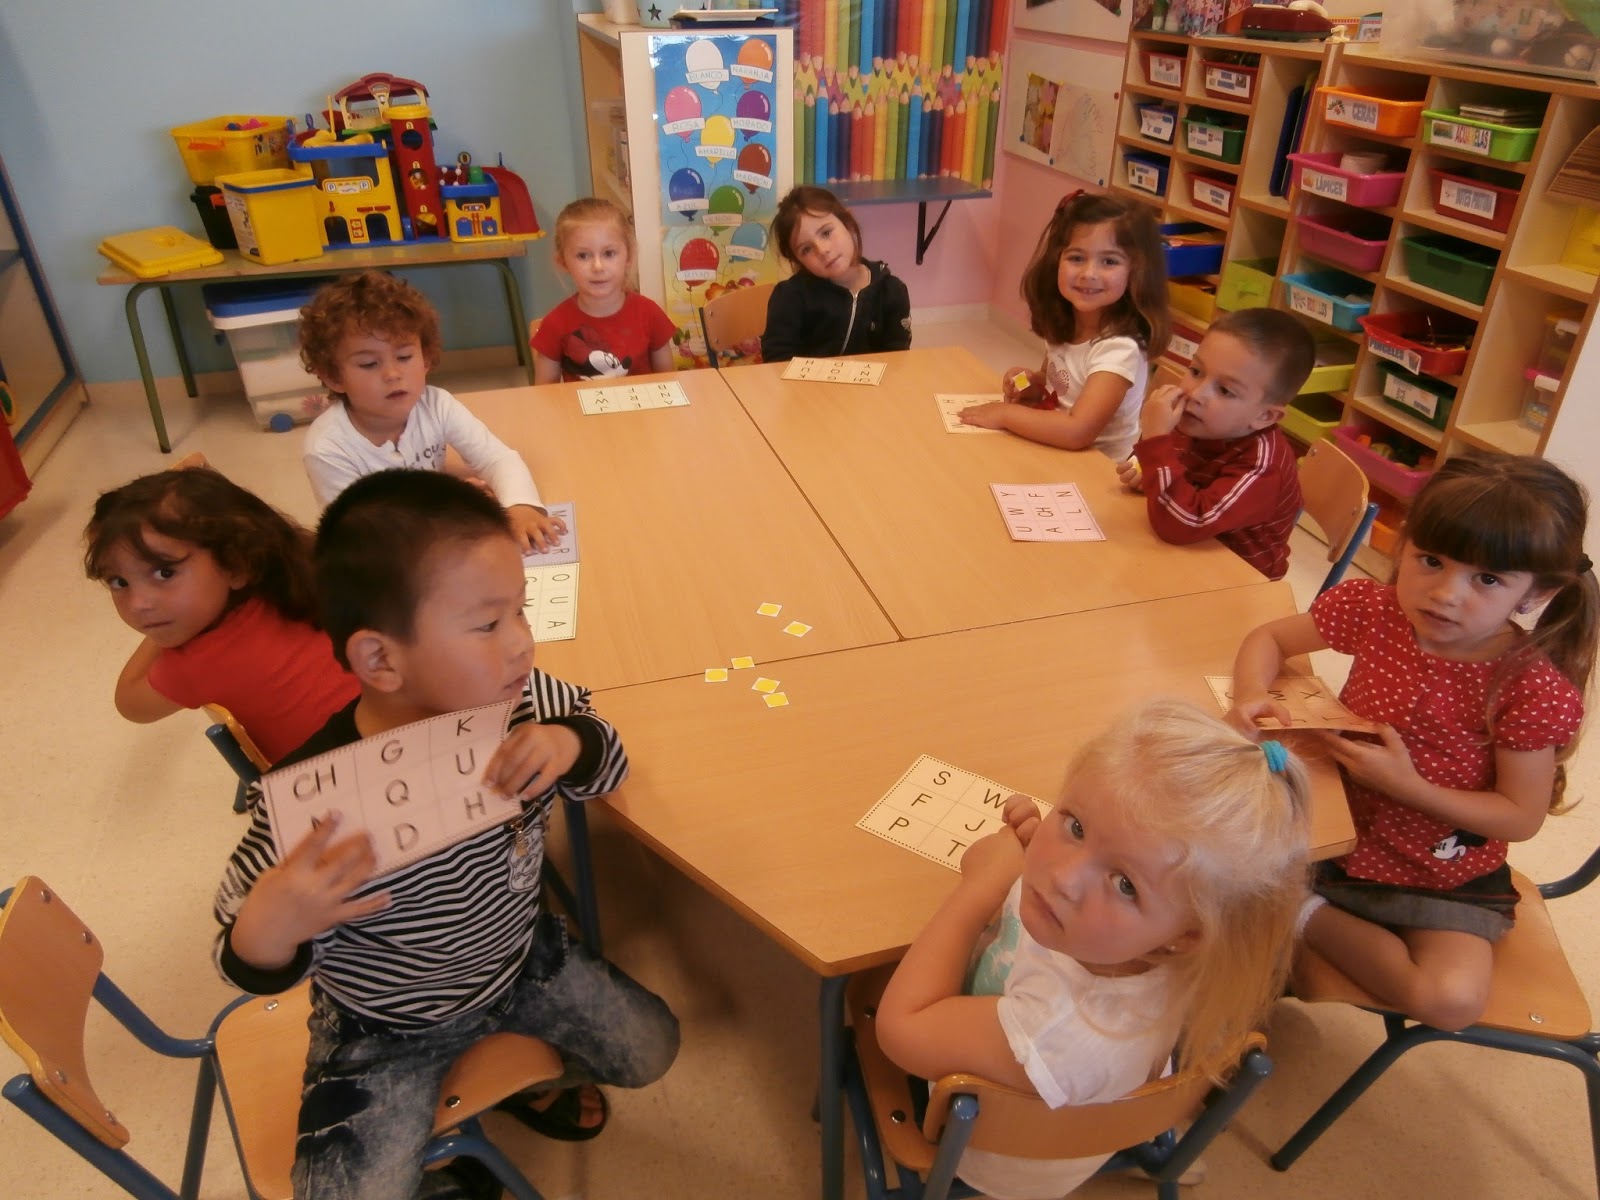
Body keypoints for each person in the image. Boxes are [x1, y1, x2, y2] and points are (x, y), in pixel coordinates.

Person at [212, 470, 680, 1199]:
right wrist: (271, 927)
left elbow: (606, 758)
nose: (523, 644)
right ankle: (441, 1165)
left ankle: (520, 1083)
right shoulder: (314, 803)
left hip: (523, 964)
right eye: (489, 624)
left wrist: (568, 743)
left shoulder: (524, 704)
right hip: (383, 1027)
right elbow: (238, 952)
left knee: (654, 1047)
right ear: (379, 659)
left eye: (520, 613)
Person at [877, 699, 1310, 1199]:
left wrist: (979, 887)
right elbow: (1109, 855)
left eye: (1125, 884)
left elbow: (900, 1027)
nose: (1062, 878)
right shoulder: (1151, 936)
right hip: (1068, 1097)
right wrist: (1038, 838)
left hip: (990, 1154)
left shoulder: (1066, 1030)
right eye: (1076, 825)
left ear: (1183, 936)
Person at [1229, 453, 1599, 1032]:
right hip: (1327, 831)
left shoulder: (1529, 686)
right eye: (1430, 560)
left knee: (1448, 1001)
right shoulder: (1374, 609)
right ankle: (1283, 927)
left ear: (1534, 594)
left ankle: (1295, 912)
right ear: (1401, 547)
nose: (1445, 594)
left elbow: (1519, 817)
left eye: (1487, 579)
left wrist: (1407, 786)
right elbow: (1269, 637)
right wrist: (1249, 694)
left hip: (1439, 873)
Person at [84, 464, 358, 764]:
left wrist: (160, 636)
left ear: (235, 565)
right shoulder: (297, 569)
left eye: (164, 572)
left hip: (328, 784)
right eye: (119, 582)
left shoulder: (194, 665)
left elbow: (130, 704)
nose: (138, 603)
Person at [298, 270, 565, 553]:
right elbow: (356, 537)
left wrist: (520, 506)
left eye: (404, 357)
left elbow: (497, 457)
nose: (392, 374)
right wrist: (445, 507)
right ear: (332, 376)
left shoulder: (437, 404)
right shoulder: (327, 449)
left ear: (426, 358)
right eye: (368, 364)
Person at [959, 191, 1169, 461]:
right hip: (1056, 452)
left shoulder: (1119, 350)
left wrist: (1005, 414)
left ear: (1136, 271)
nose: (1088, 274)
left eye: (1109, 261)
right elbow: (1055, 384)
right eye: (1077, 258)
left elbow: (1077, 431)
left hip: (1096, 471)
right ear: (1056, 260)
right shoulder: (1068, 321)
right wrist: (1032, 383)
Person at [1116, 308, 1313, 581]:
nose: (1196, 393)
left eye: (1224, 391)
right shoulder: (1200, 420)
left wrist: (1155, 440)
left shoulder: (1263, 467)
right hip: (1187, 554)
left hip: (1238, 583)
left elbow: (1182, 524)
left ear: (1265, 416)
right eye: (1196, 371)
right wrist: (1149, 471)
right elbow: (1177, 484)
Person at [760, 185, 912, 362]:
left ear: (847, 223)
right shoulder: (789, 297)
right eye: (806, 249)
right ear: (798, 261)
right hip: (806, 389)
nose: (823, 250)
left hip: (871, 390)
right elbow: (776, 363)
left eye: (826, 233)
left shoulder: (892, 291)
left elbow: (897, 361)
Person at [532, 197, 676, 382]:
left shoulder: (650, 314)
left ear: (629, 256)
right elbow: (545, 397)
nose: (598, 266)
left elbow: (668, 383)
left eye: (609, 253)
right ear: (563, 262)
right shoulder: (555, 324)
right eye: (583, 256)